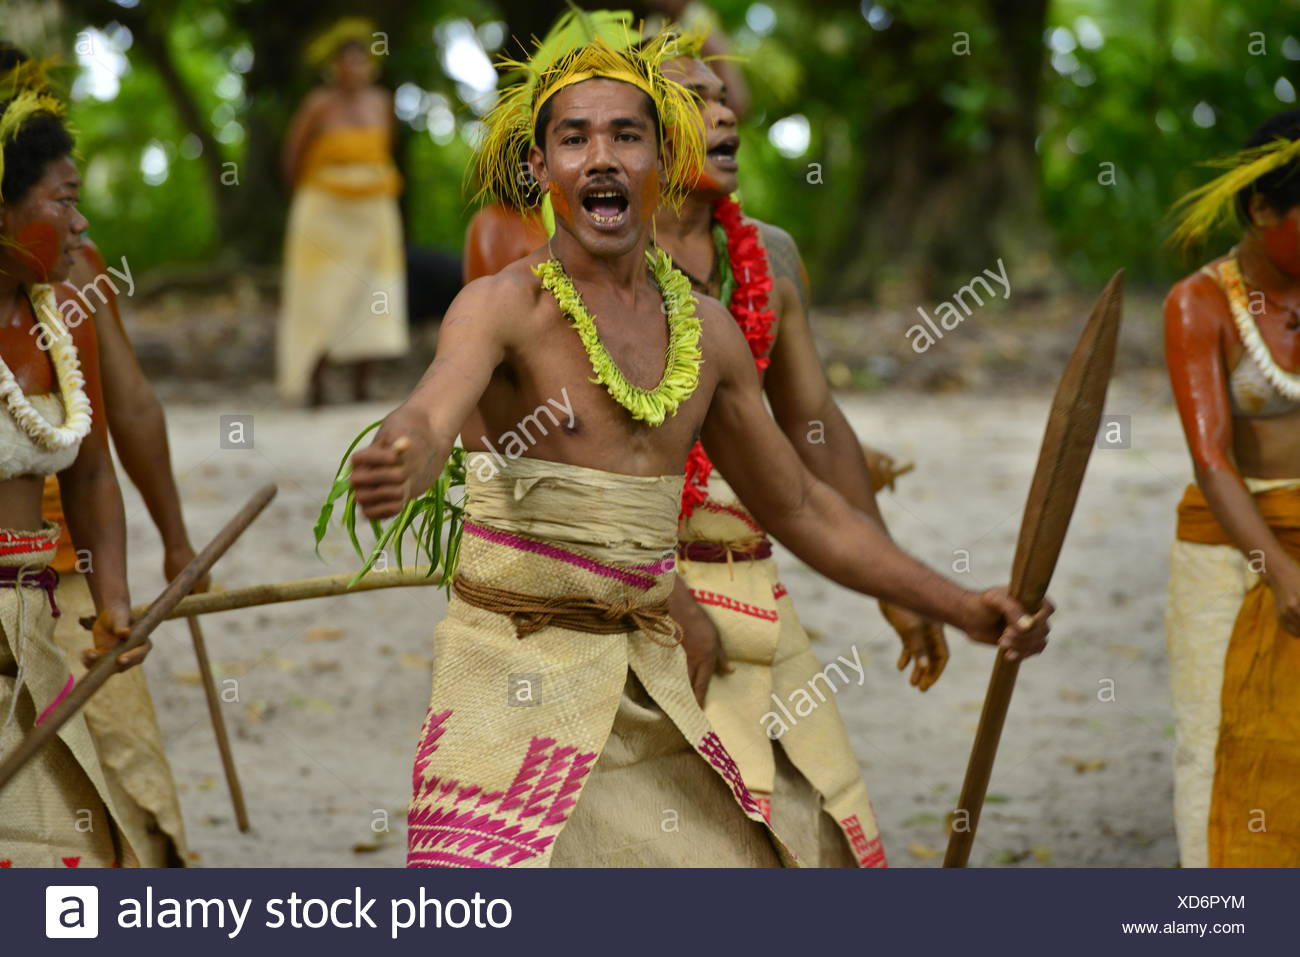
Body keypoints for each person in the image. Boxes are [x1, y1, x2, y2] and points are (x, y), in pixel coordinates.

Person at [347, 34, 1050, 868]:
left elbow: (802, 506)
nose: (601, 158)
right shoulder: (503, 307)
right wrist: (404, 452)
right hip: (517, 677)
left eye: (626, 137)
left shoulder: (708, 334)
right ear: (541, 169)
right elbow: (432, 413)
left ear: (660, 158)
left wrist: (958, 601)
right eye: (574, 139)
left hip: (652, 672)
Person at [650, 46, 946, 866]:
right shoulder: (595, 268)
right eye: (695, 100)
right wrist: (665, 597)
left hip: (752, 576)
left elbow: (813, 420)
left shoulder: (770, 257)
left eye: (723, 99)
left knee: (817, 829)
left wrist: (895, 580)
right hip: (632, 590)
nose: (724, 114)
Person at [0, 41, 192, 866]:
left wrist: (117, 595)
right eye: (63, 199)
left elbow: (99, 457)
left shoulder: (63, 305)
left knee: (81, 823)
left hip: (44, 594)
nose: (82, 223)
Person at [1164, 109, 1300, 867]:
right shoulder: (1199, 303)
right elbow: (1212, 457)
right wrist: (1278, 570)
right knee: (1219, 740)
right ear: (1261, 209)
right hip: (1228, 553)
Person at [278, 17, 409, 407]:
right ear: (333, 66)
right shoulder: (317, 104)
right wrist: (311, 202)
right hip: (324, 210)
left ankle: (361, 384)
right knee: (319, 292)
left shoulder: (382, 102)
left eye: (360, 59)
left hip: (374, 209)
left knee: (373, 291)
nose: (353, 67)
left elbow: (387, 149)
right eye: (345, 60)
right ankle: (313, 382)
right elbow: (291, 159)